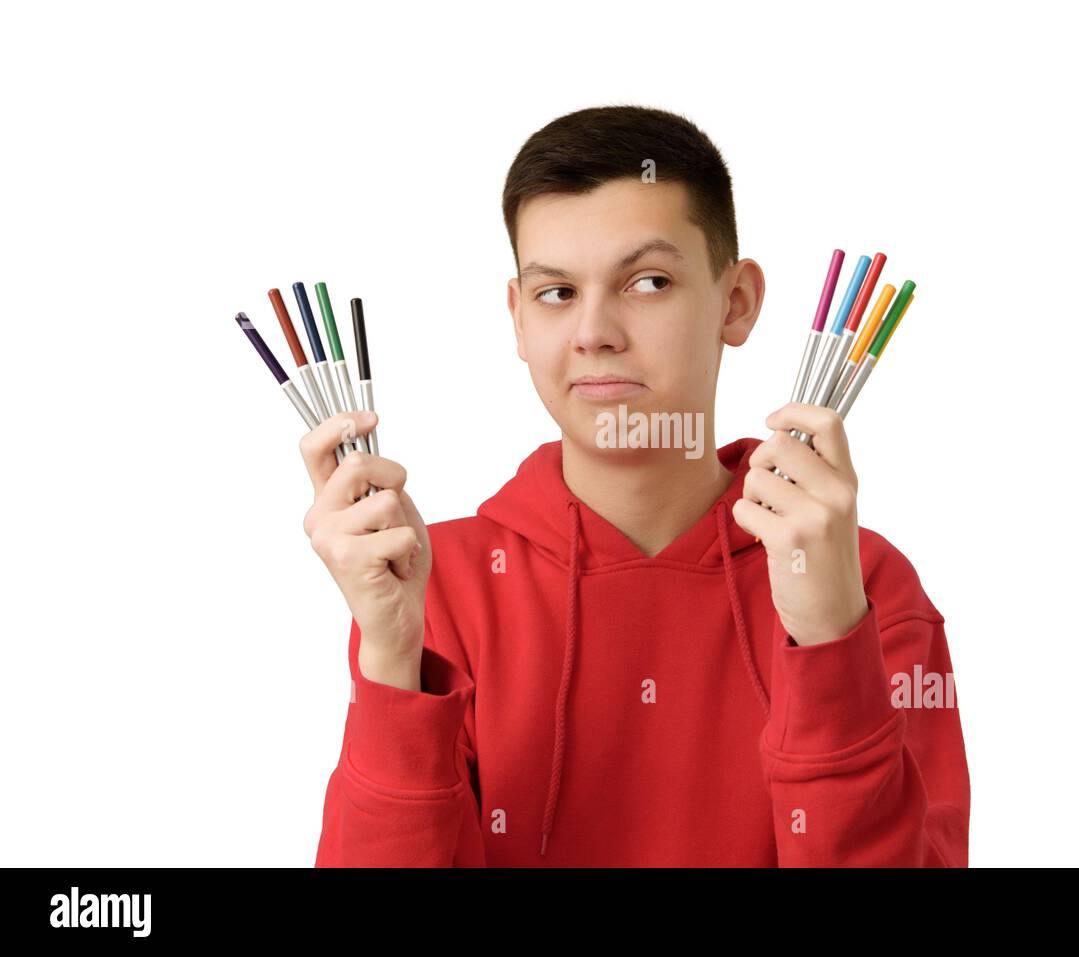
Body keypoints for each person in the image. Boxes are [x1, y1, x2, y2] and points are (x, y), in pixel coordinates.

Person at [305, 105, 970, 866]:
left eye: (647, 281)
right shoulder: (432, 584)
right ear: (518, 319)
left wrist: (829, 643)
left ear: (736, 300)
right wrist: (392, 661)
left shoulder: (864, 585)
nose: (594, 331)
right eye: (556, 292)